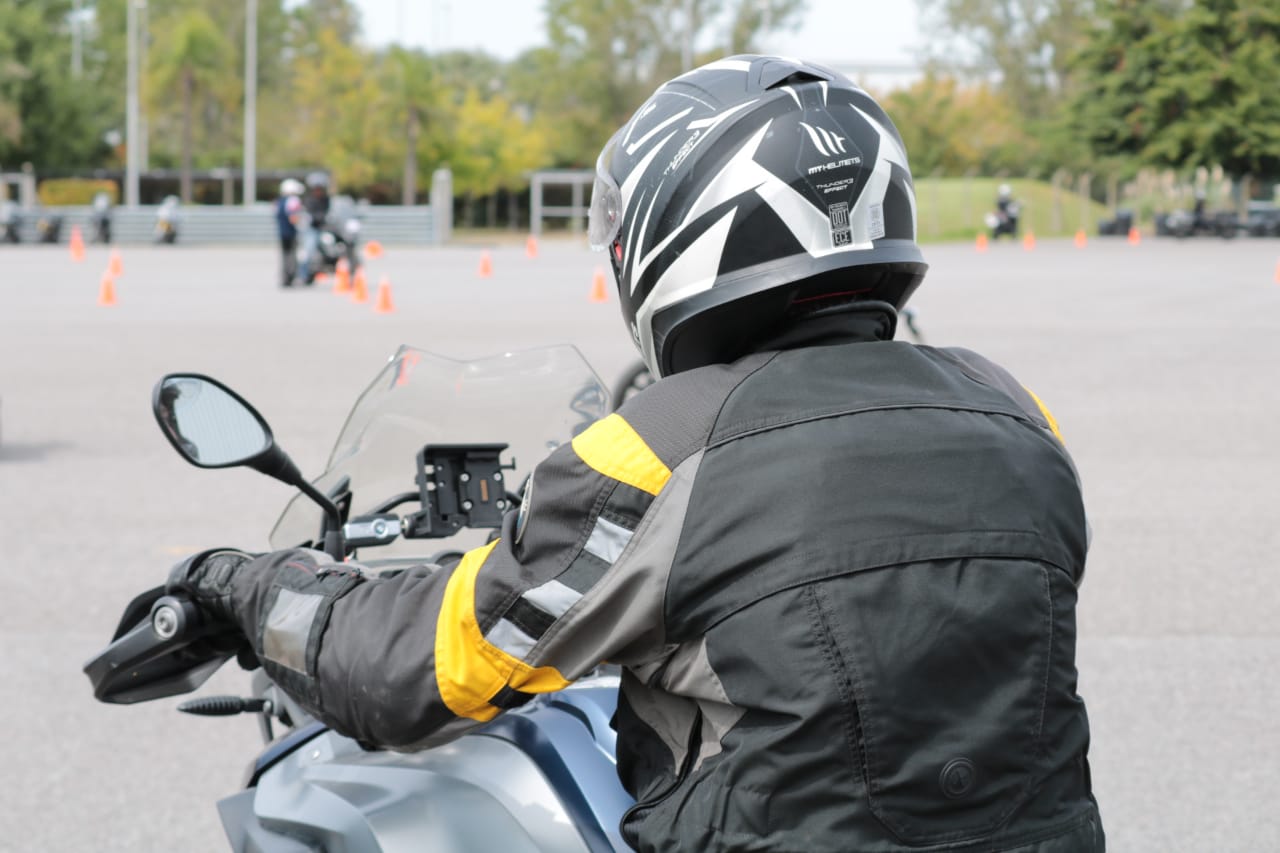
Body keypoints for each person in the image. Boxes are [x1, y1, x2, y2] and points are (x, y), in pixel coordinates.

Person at [167, 55, 1103, 852]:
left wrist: (240, 586)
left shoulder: (664, 447)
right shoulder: (1017, 410)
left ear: (684, 226)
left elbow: (425, 667)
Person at [299, 171, 331, 281]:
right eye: (316, 188)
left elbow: (331, 212)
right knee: (309, 249)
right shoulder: (309, 200)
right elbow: (308, 214)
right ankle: (304, 274)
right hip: (312, 228)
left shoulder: (326, 200)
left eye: (320, 188)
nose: (318, 191)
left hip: (325, 227)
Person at [275, 178, 304, 287]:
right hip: (291, 232)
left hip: (282, 232)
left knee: (285, 255)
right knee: (291, 255)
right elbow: (293, 217)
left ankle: (285, 277)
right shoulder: (293, 200)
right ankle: (290, 276)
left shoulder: (279, 201)